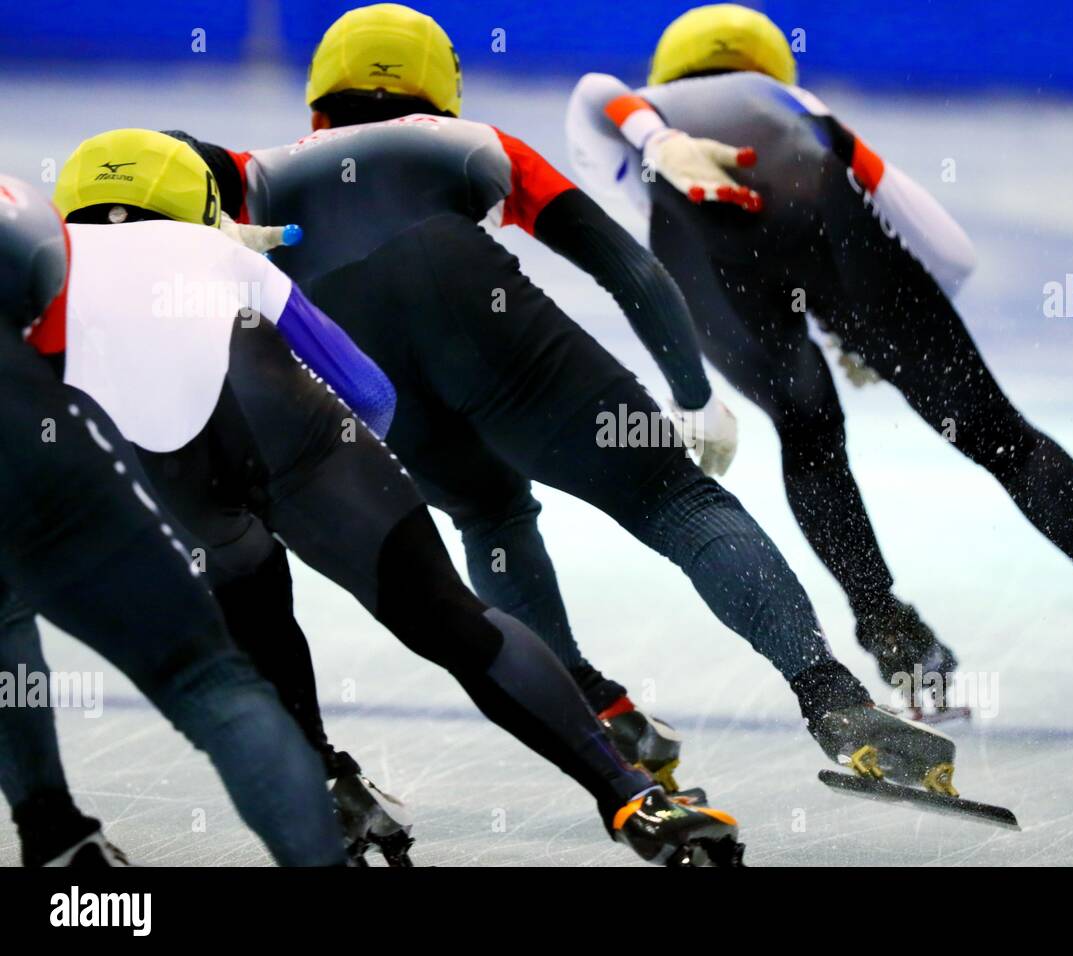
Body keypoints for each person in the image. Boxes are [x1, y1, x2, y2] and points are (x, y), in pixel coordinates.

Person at [165, 3, 963, 802]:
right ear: (445, 91)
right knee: (675, 499)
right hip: (474, 310)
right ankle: (835, 703)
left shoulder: (247, 173)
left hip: (353, 350)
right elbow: (626, 267)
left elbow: (130, 173)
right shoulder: (474, 143)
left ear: (316, 101)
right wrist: (692, 394)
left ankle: (592, 709)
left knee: (489, 518)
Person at [10, 128, 745, 867]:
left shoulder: (43, 277)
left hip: (157, 480)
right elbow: (366, 388)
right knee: (454, 620)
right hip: (303, 444)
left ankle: (323, 784)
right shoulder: (224, 255)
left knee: (246, 608)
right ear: (198, 204)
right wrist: (343, 481)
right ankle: (628, 796)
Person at [564, 3, 1073, 707]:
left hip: (707, 265)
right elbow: (951, 250)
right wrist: (891, 327)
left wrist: (656, 138)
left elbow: (591, 92)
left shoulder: (634, 120)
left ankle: (890, 630)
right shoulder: (799, 104)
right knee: (999, 434)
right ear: (770, 67)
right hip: (844, 235)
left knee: (809, 433)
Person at [0, 172, 346, 867]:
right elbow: (53, 318)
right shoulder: (18, 206)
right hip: (27, 427)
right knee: (210, 682)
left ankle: (54, 830)